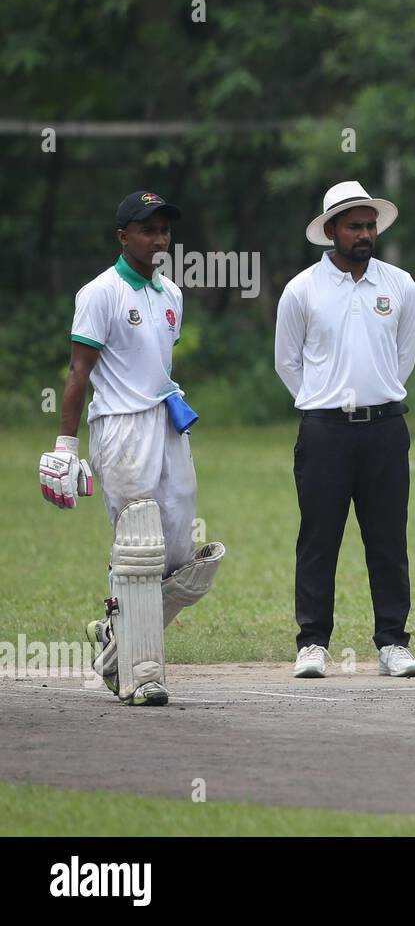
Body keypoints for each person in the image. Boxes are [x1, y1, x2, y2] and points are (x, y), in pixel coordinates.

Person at [39, 191, 225, 706]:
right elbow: (80, 372)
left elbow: (156, 366)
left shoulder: (172, 294)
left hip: (167, 423)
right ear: (124, 235)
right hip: (120, 429)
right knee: (139, 546)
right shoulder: (99, 292)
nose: (159, 239)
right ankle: (142, 675)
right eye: (148, 229)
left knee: (186, 556)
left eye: (164, 230)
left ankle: (115, 635)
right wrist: (64, 445)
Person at [275, 181, 415, 678]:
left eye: (370, 225)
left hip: (384, 428)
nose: (364, 234)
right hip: (324, 433)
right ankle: (312, 643)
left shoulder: (400, 284)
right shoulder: (302, 289)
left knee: (387, 537)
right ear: (330, 231)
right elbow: (287, 364)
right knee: (319, 537)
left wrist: (375, 395)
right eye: (354, 226)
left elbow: (403, 358)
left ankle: (392, 642)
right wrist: (328, 402)